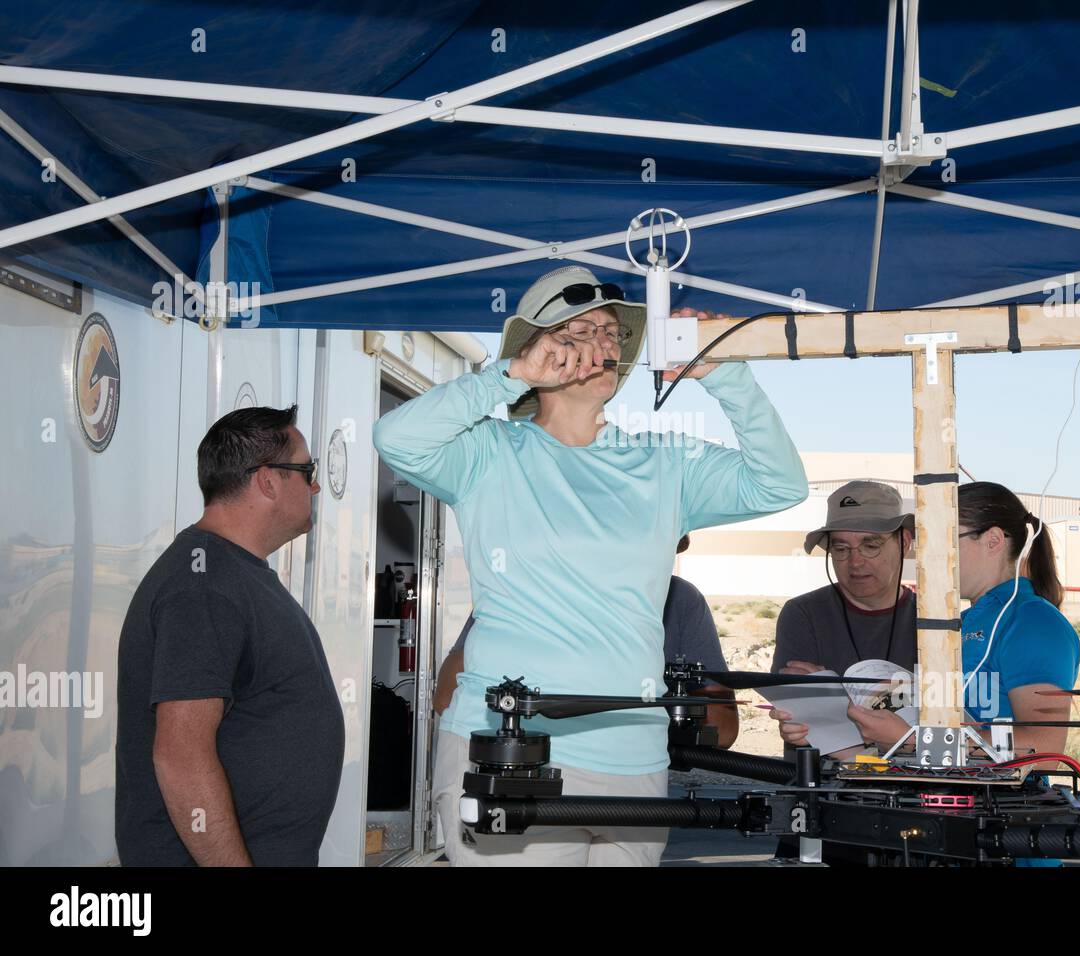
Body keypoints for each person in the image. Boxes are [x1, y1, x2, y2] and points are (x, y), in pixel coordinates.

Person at [374, 264, 806, 866]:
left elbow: (779, 485)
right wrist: (508, 375)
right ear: (537, 344)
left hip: (635, 758)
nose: (602, 343)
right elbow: (396, 439)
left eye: (611, 333)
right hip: (512, 750)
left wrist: (727, 378)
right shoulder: (488, 453)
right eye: (579, 329)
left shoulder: (664, 461)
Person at [115, 406, 344, 866]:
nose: (316, 485)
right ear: (267, 480)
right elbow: (181, 757)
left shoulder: (231, 573)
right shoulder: (204, 586)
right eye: (307, 470)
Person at [846, 481, 1079, 768]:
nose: (931, 557)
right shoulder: (966, 621)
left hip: (1002, 807)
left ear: (993, 540)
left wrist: (913, 739)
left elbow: (1045, 751)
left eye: (945, 540)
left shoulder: (1033, 623)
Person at [434, 536, 739, 749]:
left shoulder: (681, 600)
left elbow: (724, 730)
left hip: (629, 776)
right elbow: (447, 697)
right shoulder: (523, 585)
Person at [768, 481, 919, 755]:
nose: (855, 561)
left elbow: (949, 731)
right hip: (825, 789)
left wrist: (834, 702)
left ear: (904, 543)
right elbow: (799, 721)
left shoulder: (935, 625)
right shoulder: (803, 615)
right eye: (840, 549)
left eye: (870, 545)